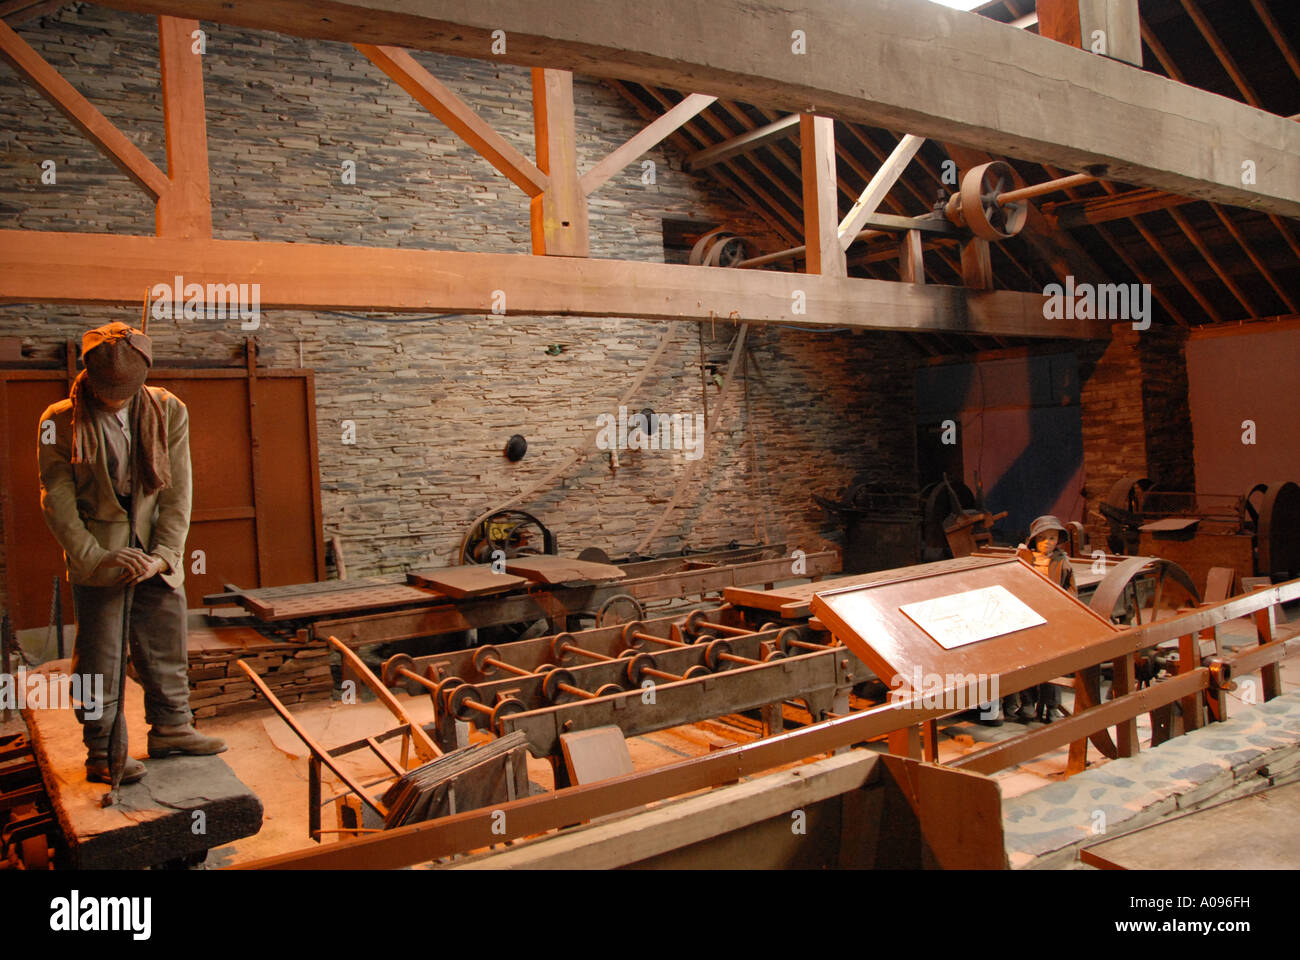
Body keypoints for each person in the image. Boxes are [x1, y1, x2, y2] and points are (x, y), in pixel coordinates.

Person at [37, 321, 225, 785]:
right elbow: (54, 497)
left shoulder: (167, 410)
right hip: (100, 556)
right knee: (101, 653)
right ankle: (102, 750)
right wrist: (97, 556)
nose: (116, 398)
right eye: (107, 390)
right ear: (89, 378)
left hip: (153, 552)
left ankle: (172, 728)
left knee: (165, 641)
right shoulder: (56, 422)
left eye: (125, 390)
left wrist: (163, 555)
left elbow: (177, 490)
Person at [1003, 514, 1076, 723]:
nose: (1048, 543)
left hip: (1052, 618)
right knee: (1028, 663)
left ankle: (1052, 707)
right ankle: (1027, 703)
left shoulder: (1062, 563)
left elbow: (1071, 590)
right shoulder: (1026, 560)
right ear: (1035, 540)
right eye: (1043, 538)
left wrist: (1064, 610)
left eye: (1052, 538)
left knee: (1051, 665)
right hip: (1029, 617)